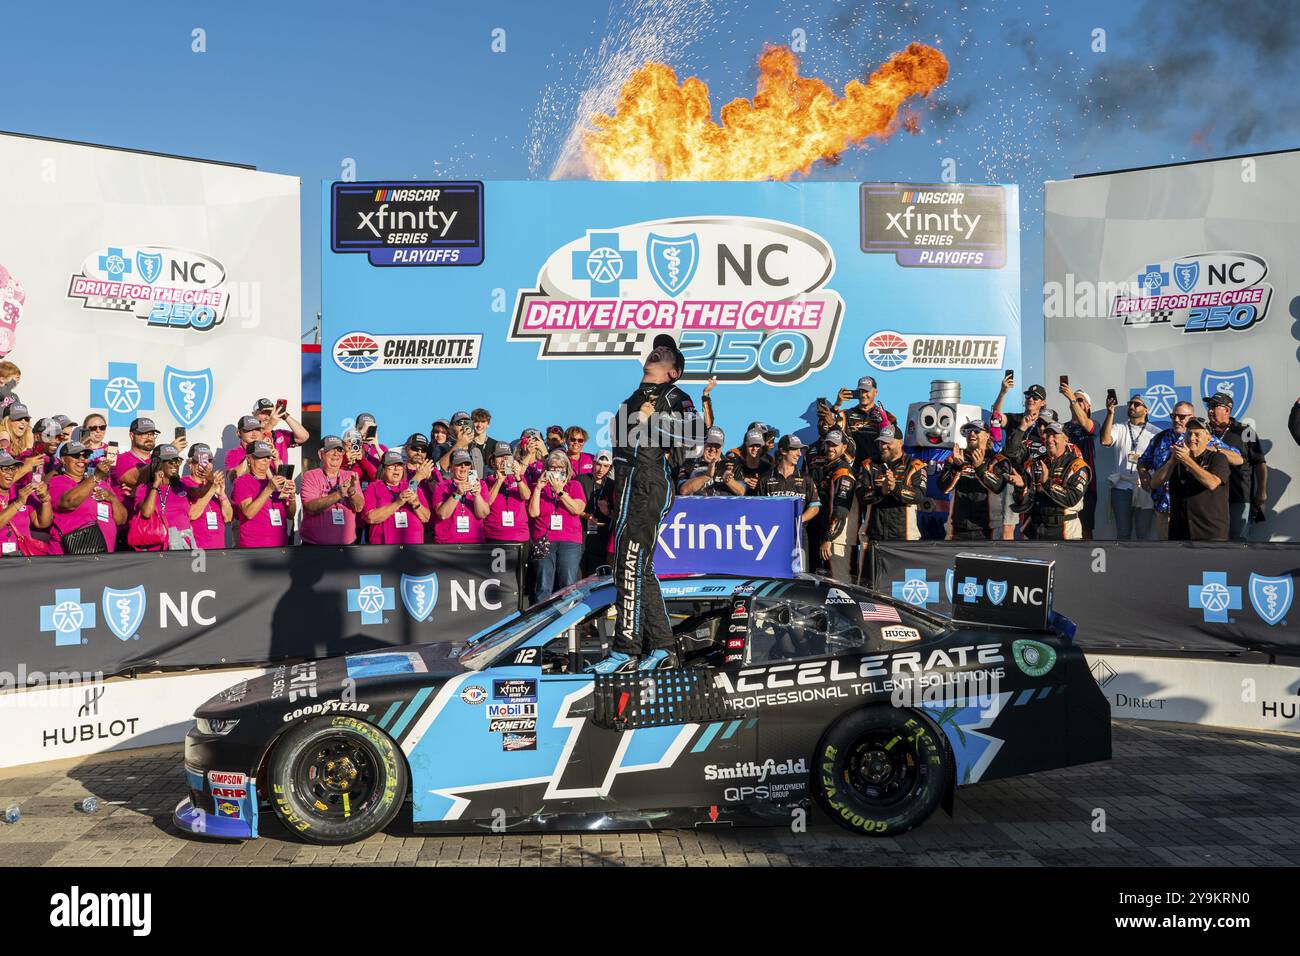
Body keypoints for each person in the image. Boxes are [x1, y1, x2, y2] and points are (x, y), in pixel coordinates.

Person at [597, 334, 699, 673]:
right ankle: (663, 647)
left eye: (667, 352)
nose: (659, 351)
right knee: (640, 569)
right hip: (627, 485)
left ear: (674, 372)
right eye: (657, 347)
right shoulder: (635, 396)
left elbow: (694, 437)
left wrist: (651, 421)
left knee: (627, 564)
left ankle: (626, 650)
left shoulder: (676, 395)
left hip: (649, 482)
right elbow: (621, 441)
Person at [1137, 401, 1241, 541]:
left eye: (1181, 417)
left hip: (1205, 522)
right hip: (1167, 509)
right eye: (1173, 416)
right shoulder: (1160, 437)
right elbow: (1146, 464)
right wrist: (1146, 472)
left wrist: (1209, 449)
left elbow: (1238, 459)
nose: (1176, 420)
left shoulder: (1213, 449)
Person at [1151, 417, 1229, 542]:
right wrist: (1171, 462)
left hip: (1209, 531)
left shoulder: (1218, 458)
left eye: (1197, 434)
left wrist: (1187, 460)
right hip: (1180, 531)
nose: (1192, 438)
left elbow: (1212, 483)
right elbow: (1154, 483)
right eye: (1189, 433)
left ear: (1209, 438)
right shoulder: (1176, 458)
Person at [1008, 421, 1090, 540]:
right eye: (1047, 435)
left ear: (1066, 439)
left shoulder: (1077, 465)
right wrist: (1020, 487)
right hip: (1036, 529)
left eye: (1055, 435)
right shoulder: (1034, 462)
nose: (1049, 439)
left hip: (1066, 530)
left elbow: (1071, 498)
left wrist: (1047, 483)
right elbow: (1024, 502)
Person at [1204, 392, 1267, 541]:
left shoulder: (1245, 431)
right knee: (1213, 542)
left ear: (1227, 410)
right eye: (1209, 406)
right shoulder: (1203, 432)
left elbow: (1259, 463)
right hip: (1211, 497)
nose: (1210, 410)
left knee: (1238, 543)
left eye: (1214, 406)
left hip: (1239, 496)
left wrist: (1262, 492)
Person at [528, 449, 587, 602]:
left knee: (568, 584)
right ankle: (542, 622)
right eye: (552, 468)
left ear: (566, 470)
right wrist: (538, 489)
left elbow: (577, 509)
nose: (556, 471)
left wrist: (560, 492)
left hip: (569, 540)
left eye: (560, 468)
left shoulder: (574, 486)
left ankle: (568, 623)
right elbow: (533, 513)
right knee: (543, 586)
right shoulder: (540, 487)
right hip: (544, 539)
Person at [1099, 393, 1159, 540]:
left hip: (1143, 488)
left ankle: (1143, 563)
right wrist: (1110, 413)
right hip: (1120, 488)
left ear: (1146, 410)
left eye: (1136, 404)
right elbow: (1105, 440)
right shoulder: (1119, 427)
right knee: (1123, 533)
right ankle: (1122, 563)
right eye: (1130, 403)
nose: (1132, 406)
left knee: (1143, 534)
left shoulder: (1155, 432)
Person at [992, 380, 1047, 539]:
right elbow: (996, 417)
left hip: (1035, 480)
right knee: (1008, 525)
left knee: (1032, 524)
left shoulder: (1044, 426)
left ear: (1042, 403)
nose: (1030, 399)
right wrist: (1003, 392)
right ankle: (1005, 562)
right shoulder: (1014, 418)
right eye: (1029, 396)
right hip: (1013, 477)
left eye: (1035, 398)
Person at [757, 434, 821, 570]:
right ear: (783, 451)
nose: (799, 454)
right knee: (773, 572)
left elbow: (815, 507)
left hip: (798, 533)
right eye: (795, 449)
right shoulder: (766, 478)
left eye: (800, 450)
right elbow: (759, 508)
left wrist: (798, 519)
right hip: (772, 533)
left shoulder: (805, 478)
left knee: (800, 575)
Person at [49, 440, 124, 553]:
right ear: (63, 460)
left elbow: (121, 520)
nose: (81, 459)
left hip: (105, 556)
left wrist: (112, 498)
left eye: (85, 455)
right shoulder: (57, 481)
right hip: (71, 556)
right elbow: (69, 503)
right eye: (76, 455)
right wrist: (96, 476)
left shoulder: (102, 484)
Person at [937, 420, 1008, 540]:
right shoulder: (955, 458)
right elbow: (943, 488)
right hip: (956, 530)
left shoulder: (997, 460)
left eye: (976, 431)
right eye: (968, 431)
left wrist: (980, 468)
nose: (972, 434)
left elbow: (998, 487)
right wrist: (957, 468)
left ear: (987, 435)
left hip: (988, 532)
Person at [859, 425, 928, 544]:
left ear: (900, 443)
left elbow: (919, 496)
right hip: (873, 536)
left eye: (887, 442)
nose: (883, 446)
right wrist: (881, 491)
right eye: (881, 442)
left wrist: (895, 488)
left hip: (905, 537)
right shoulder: (868, 464)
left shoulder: (915, 465)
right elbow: (860, 496)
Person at [299, 435, 365, 545]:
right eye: (331, 450)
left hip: (346, 546)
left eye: (339, 450)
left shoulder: (351, 476)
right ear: (321, 454)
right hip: (315, 547)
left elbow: (359, 508)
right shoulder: (311, 475)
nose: (336, 454)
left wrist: (352, 492)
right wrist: (339, 494)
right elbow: (310, 508)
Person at [811, 429, 858, 583]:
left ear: (844, 448)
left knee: (838, 581)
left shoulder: (843, 471)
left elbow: (841, 509)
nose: (831, 448)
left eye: (835, 445)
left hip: (836, 539)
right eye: (828, 444)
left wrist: (829, 538)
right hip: (823, 533)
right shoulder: (824, 468)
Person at [232, 440, 296, 548]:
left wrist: (292, 497)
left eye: (268, 456)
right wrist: (269, 489)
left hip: (281, 547)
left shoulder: (276, 480)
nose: (266, 460)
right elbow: (248, 513)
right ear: (249, 458)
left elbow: (290, 515)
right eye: (260, 457)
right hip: (254, 549)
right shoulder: (242, 481)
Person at [133, 444, 196, 550]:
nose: (175, 465)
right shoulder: (144, 488)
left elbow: (199, 493)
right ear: (159, 464)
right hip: (156, 548)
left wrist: (210, 482)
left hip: (183, 547)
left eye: (177, 461)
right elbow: (147, 513)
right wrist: (155, 486)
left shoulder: (181, 486)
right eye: (171, 461)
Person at [365, 449, 433, 544]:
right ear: (383, 469)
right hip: (384, 547)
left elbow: (426, 518)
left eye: (400, 465)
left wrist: (416, 504)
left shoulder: (412, 487)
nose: (396, 469)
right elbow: (370, 518)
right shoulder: (373, 487)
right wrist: (398, 503)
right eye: (392, 465)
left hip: (413, 547)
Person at [1060, 383, 1098, 538]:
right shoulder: (1062, 428)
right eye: (1074, 400)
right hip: (1066, 486)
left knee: (1086, 529)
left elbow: (1086, 425)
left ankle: (1087, 561)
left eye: (1080, 400)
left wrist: (1071, 398)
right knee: (1067, 527)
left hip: (1087, 486)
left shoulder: (1094, 423)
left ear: (1088, 407)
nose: (1076, 402)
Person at [427, 448, 486, 544]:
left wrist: (477, 496)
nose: (463, 467)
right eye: (459, 464)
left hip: (474, 544)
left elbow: (482, 514)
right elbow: (443, 515)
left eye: (467, 464)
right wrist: (457, 494)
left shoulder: (480, 484)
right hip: (448, 545)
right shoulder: (442, 486)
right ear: (451, 466)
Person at [0, 449, 51, 555]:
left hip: (22, 559)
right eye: (4, 469)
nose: (10, 472)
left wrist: (45, 499)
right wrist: (17, 503)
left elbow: (42, 523)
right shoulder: (21, 496)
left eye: (13, 468)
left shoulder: (21, 490)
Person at [839, 375, 896, 469]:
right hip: (852, 468)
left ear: (875, 392)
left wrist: (884, 423)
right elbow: (832, 431)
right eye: (861, 391)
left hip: (876, 469)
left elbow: (894, 443)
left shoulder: (887, 416)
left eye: (867, 391)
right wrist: (837, 404)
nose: (863, 395)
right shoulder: (846, 414)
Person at [183, 443, 231, 551]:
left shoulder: (215, 484)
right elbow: (192, 514)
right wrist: (212, 488)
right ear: (190, 464)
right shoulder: (184, 483)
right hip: (197, 553)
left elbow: (228, 518)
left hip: (219, 551)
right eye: (201, 462)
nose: (205, 465)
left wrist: (222, 495)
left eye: (208, 461)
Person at [483, 442, 532, 545]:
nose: (504, 459)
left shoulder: (518, 477)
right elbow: (486, 504)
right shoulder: (486, 482)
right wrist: (499, 480)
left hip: (519, 536)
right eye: (500, 456)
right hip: (494, 535)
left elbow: (526, 496)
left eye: (507, 456)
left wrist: (518, 477)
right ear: (492, 462)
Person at [579, 449, 617, 575]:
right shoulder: (581, 479)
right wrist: (586, 515)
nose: (601, 469)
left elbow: (617, 514)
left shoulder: (613, 485)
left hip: (601, 538)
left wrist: (607, 512)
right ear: (593, 463)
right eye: (599, 464)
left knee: (595, 576)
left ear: (610, 467)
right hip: (580, 534)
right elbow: (570, 506)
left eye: (606, 466)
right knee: (577, 576)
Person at [678, 427, 745, 496]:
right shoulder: (689, 463)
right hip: (697, 506)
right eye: (710, 444)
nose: (713, 449)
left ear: (722, 446)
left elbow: (741, 492)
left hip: (725, 506)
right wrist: (707, 476)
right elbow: (683, 490)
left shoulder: (732, 465)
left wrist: (729, 481)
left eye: (717, 445)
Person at [253, 397, 309, 464]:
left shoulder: (279, 434)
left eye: (270, 412)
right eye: (264, 412)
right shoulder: (248, 433)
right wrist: (271, 424)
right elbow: (256, 444)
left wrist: (284, 414)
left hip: (281, 474)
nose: (268, 417)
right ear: (253, 414)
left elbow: (303, 437)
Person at [728, 427, 774, 494]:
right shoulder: (736, 467)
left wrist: (761, 484)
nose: (754, 448)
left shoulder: (768, 468)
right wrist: (743, 481)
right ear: (745, 446)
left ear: (762, 447)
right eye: (751, 445)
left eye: (758, 445)